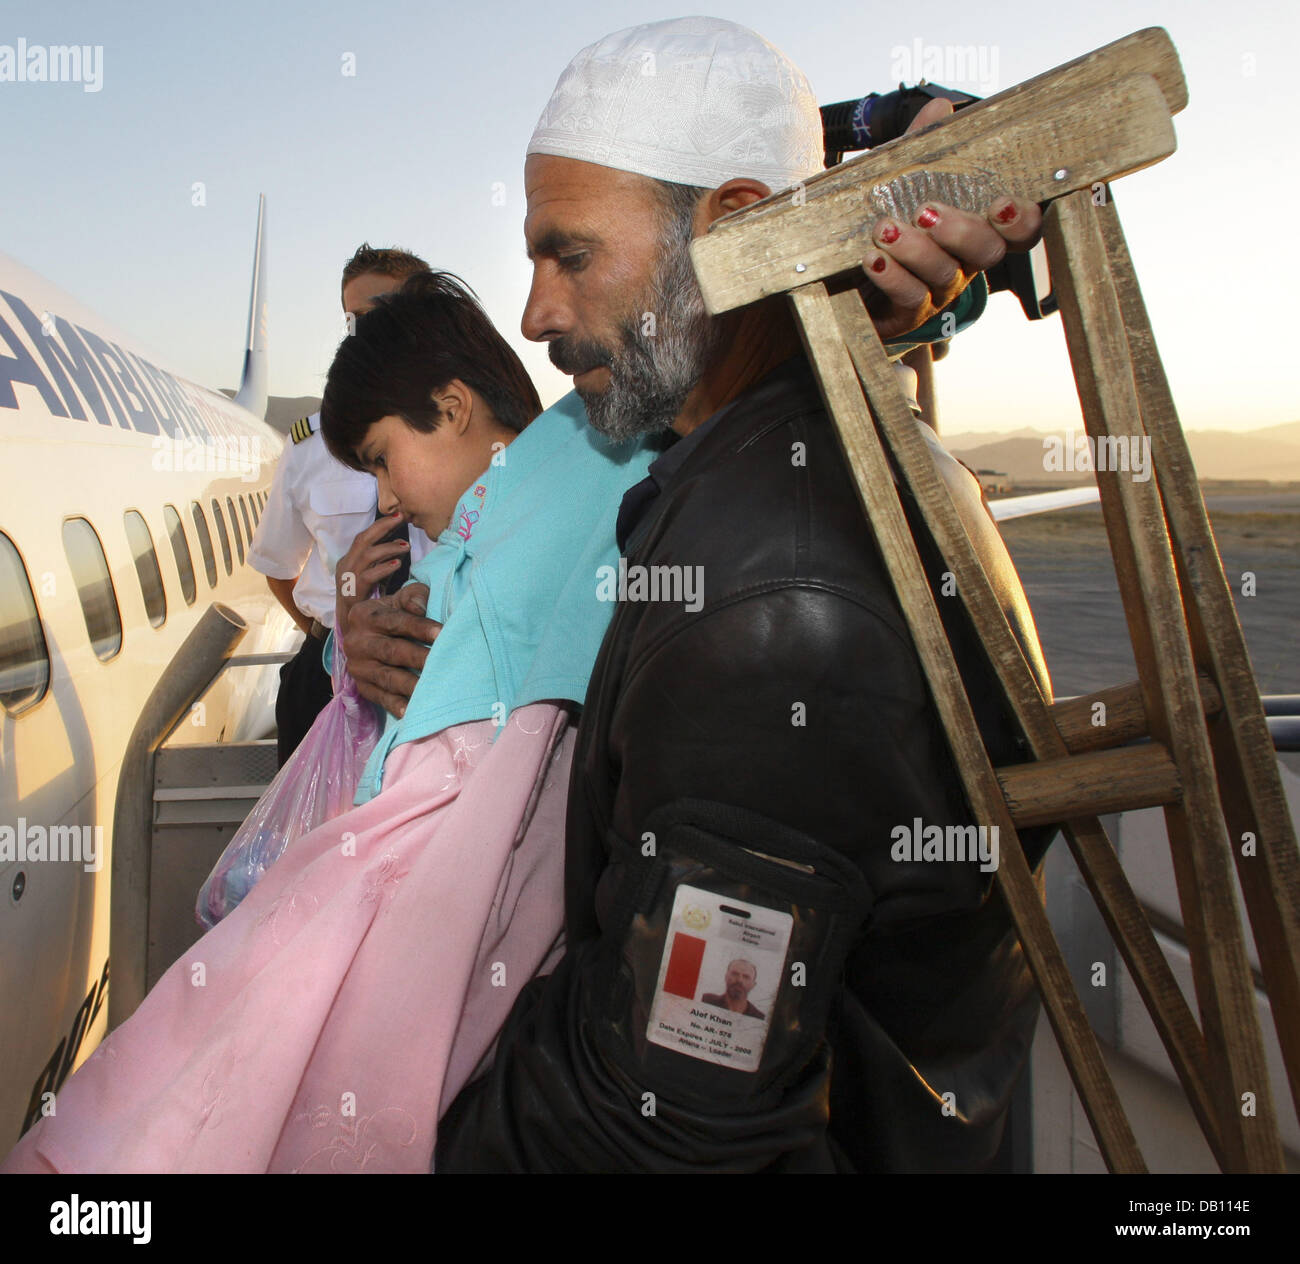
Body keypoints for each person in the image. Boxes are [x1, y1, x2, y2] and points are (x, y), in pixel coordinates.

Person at [343, 17, 1053, 1172]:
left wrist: (403, 1137)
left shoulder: (773, 616)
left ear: (727, 226)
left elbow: (667, 1119)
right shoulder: (777, 458)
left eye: (568, 254)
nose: (534, 315)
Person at [1, 272, 656, 1174]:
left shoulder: (538, 524)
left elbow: (416, 871)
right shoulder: (551, 485)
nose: (386, 498)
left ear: (455, 406)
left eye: (385, 459)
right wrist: (356, 650)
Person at [248, 244, 432, 765]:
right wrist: (323, 632)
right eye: (354, 321)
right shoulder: (310, 447)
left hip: (432, 664)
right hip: (328, 666)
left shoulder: (468, 436)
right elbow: (279, 567)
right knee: (309, 836)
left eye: (384, 316)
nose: (365, 334)